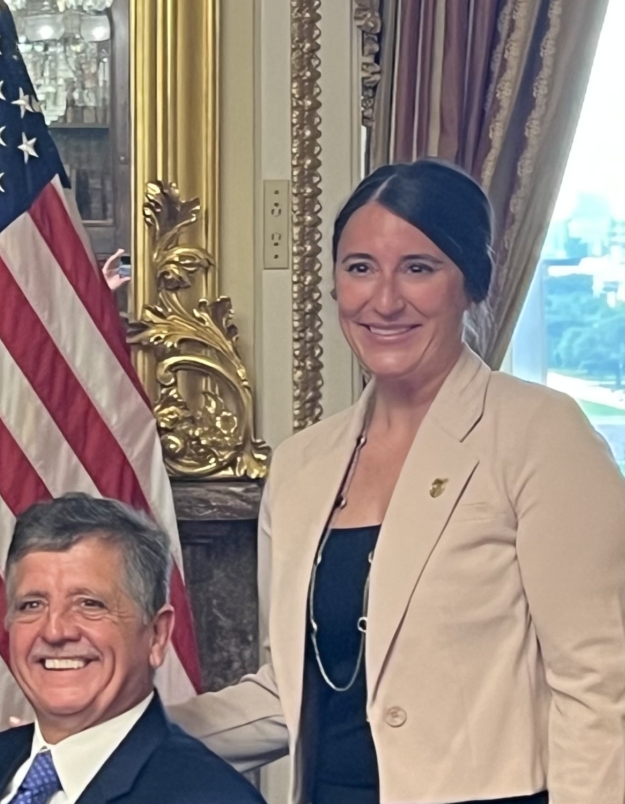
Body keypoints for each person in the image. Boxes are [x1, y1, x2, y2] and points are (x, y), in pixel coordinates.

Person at [168, 159, 625, 803]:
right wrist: (128, 734)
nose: (384, 301)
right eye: (360, 268)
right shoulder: (300, 466)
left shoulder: (540, 434)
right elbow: (291, 690)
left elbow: (601, 685)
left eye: (418, 268)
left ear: (472, 284)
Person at [0, 493, 264, 804]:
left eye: (89, 604)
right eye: (32, 605)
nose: (55, 631)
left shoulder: (213, 798)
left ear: (157, 635)